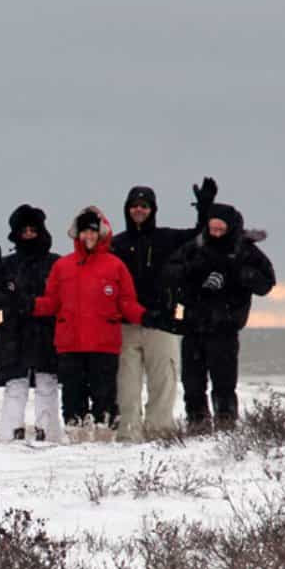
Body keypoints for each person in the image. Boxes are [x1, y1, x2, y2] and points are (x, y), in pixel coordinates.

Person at [29, 206, 168, 443]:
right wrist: (27, 304)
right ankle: (77, 439)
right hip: (70, 344)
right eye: (84, 232)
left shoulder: (115, 265)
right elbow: (51, 302)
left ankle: (104, 439)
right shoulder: (63, 266)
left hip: (104, 344)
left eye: (93, 232)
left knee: (104, 396)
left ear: (100, 233)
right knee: (73, 397)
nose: (89, 237)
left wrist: (146, 316)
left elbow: (126, 302)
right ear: (77, 234)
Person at [110, 177, 217, 440]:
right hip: (125, 324)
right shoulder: (116, 244)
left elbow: (201, 238)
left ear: (153, 209)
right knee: (127, 386)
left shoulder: (167, 238)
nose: (139, 210)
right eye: (134, 205)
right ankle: (129, 434)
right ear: (127, 209)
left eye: (145, 206)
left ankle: (159, 433)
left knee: (164, 383)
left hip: (163, 322)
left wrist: (205, 209)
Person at [164, 202, 276, 430]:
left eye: (220, 230)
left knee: (224, 384)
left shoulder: (245, 251)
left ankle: (226, 424)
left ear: (230, 228)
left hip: (225, 329)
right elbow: (170, 273)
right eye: (211, 229)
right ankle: (197, 424)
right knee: (192, 384)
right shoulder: (194, 247)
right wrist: (193, 271)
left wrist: (241, 275)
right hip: (193, 327)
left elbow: (266, 284)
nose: (215, 234)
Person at [0, 204, 61, 442]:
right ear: (17, 233)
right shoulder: (6, 265)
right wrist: (6, 293)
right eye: (24, 231)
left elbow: (64, 297)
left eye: (33, 230)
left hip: (47, 331)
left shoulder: (56, 263)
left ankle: (49, 433)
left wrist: (32, 304)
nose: (29, 235)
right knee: (15, 385)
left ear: (41, 231)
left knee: (47, 383)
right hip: (14, 332)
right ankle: (11, 434)